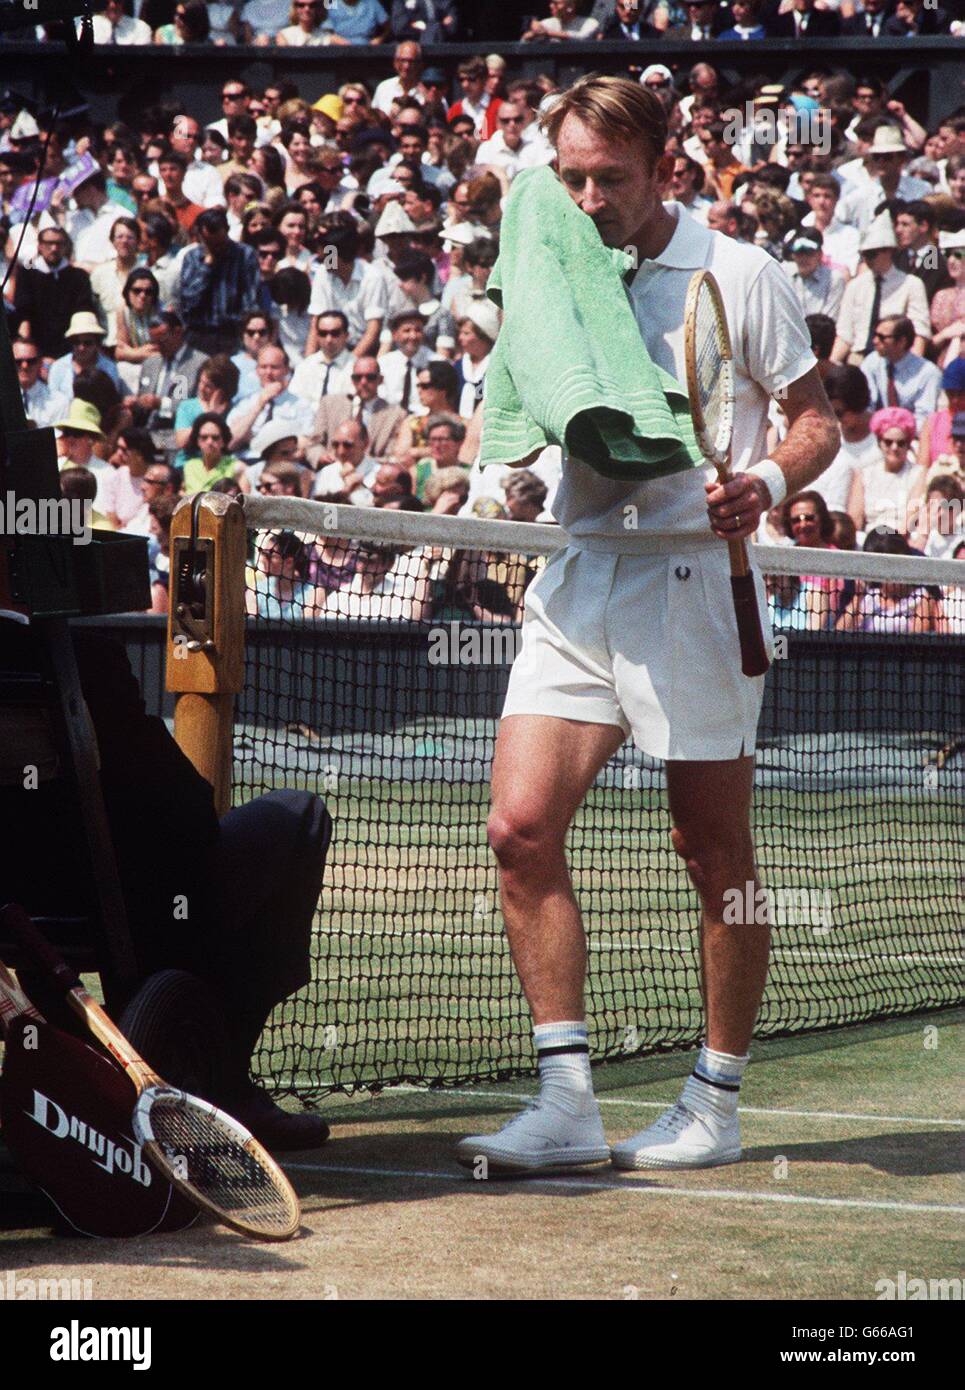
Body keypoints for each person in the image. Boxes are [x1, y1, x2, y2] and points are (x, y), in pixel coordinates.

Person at [455, 74, 839, 1177]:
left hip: (690, 583)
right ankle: (567, 1100)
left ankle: (713, 1103)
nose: (586, 198)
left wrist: (763, 476)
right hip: (580, 578)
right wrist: (508, 480)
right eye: (569, 176)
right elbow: (522, 413)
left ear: (665, 166)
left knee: (711, 852)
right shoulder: (550, 265)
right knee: (517, 829)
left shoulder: (738, 272)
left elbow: (813, 420)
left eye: (609, 179)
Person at [179, 207, 266, 354]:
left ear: (227, 230)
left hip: (231, 335)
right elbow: (188, 302)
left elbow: (251, 302)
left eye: (219, 242)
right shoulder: (192, 257)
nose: (216, 248)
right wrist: (207, 266)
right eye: (209, 242)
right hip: (198, 334)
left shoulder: (245, 255)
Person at [836, 529, 944, 634]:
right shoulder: (869, 598)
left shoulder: (923, 597)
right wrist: (857, 600)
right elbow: (839, 634)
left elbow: (916, 640)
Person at [12, 226, 95, 360]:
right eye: (49, 243)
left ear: (66, 247)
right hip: (37, 353)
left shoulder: (79, 277)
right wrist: (35, 357)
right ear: (39, 246)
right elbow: (23, 315)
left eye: (59, 244)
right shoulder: (26, 275)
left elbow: (83, 310)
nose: (54, 248)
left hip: (71, 350)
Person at [851, 406, 924, 537]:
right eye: (888, 442)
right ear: (880, 443)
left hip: (900, 540)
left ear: (908, 445)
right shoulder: (865, 474)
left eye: (901, 443)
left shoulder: (918, 474)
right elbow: (855, 520)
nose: (894, 447)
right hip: (868, 538)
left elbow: (909, 522)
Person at [861, 314, 942, 429]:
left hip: (911, 436)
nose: (875, 341)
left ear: (902, 342)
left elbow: (924, 419)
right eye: (875, 335)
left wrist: (895, 431)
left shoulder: (928, 373)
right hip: (877, 429)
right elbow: (867, 404)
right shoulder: (872, 362)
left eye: (882, 337)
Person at [47, 312, 121, 397]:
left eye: (87, 343)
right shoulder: (59, 367)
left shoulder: (109, 368)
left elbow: (111, 399)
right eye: (77, 342)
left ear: (96, 344)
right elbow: (53, 399)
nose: (81, 348)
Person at [183, 413, 249, 494]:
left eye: (215, 438)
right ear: (197, 441)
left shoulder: (237, 468)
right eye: (204, 437)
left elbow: (246, 503)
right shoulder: (190, 467)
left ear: (223, 441)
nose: (209, 442)